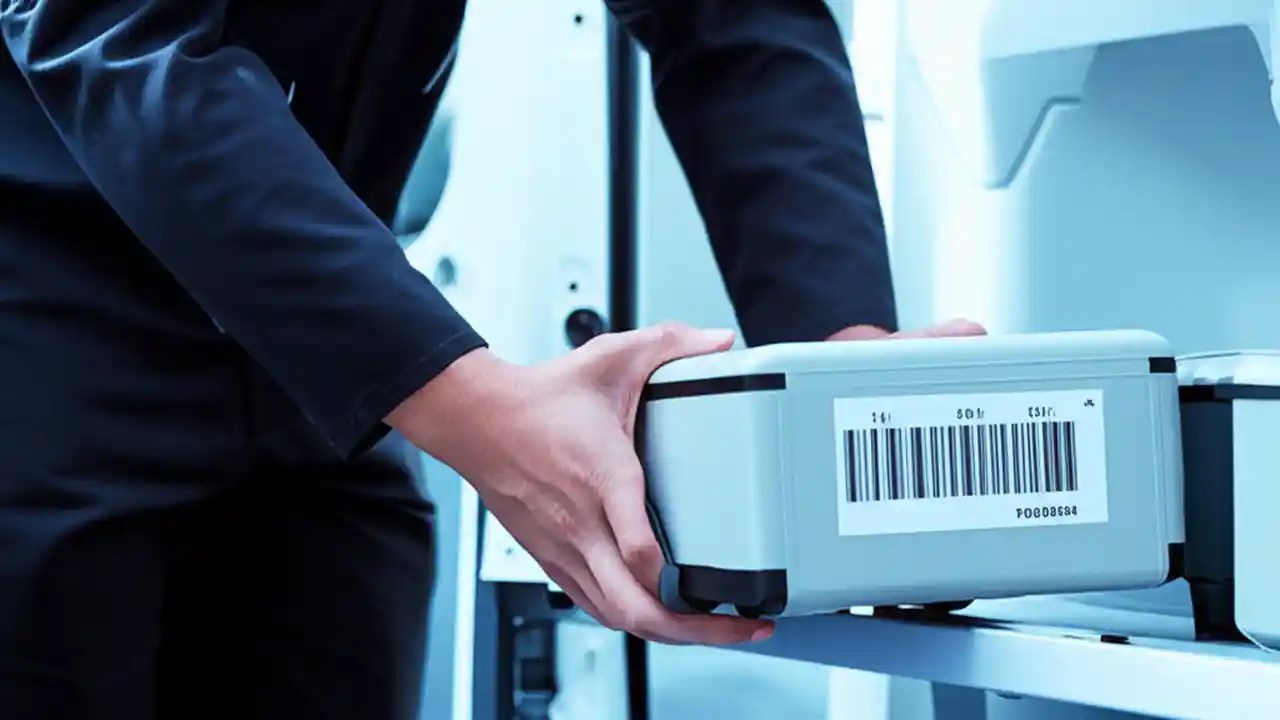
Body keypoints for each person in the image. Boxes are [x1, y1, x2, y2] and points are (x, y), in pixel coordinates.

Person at [0, 1, 982, 718]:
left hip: (314, 364)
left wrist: (837, 349)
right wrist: (479, 415)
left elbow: (726, 18)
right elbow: (115, 37)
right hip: (43, 321)